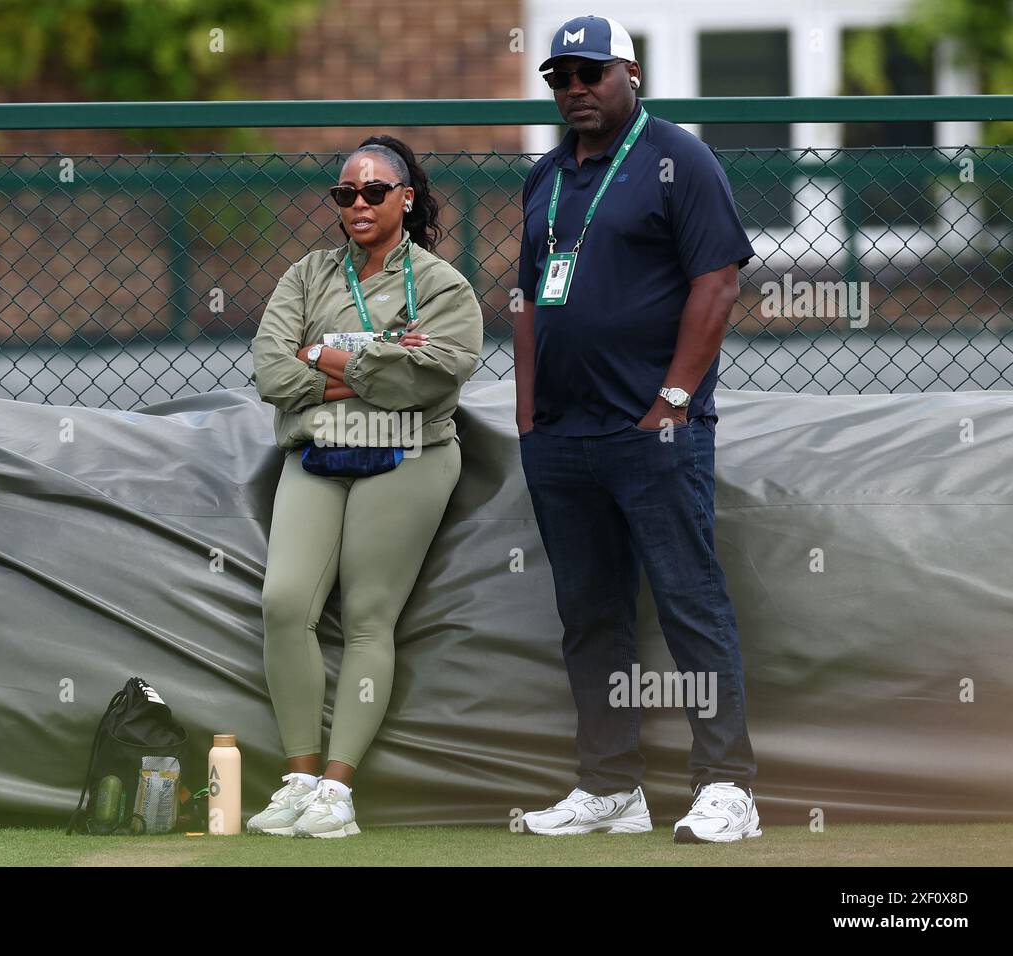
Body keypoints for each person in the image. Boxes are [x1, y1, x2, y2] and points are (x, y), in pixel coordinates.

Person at [515, 16, 761, 843]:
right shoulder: (545, 176)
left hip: (654, 429)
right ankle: (611, 789)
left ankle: (728, 786)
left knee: (690, 602)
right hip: (562, 434)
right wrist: (527, 411)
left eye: (590, 73)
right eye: (560, 77)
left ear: (631, 71)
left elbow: (717, 284)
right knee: (589, 614)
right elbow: (527, 300)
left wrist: (675, 401)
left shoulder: (678, 156)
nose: (574, 89)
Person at [249, 134, 484, 838]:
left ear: (405, 199)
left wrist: (324, 355)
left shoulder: (443, 284)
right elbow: (270, 371)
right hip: (319, 451)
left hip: (409, 453)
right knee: (285, 602)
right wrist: (376, 362)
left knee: (369, 617)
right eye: (344, 193)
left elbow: (439, 373)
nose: (357, 204)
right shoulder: (308, 274)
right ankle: (297, 776)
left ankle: (337, 790)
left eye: (374, 192)